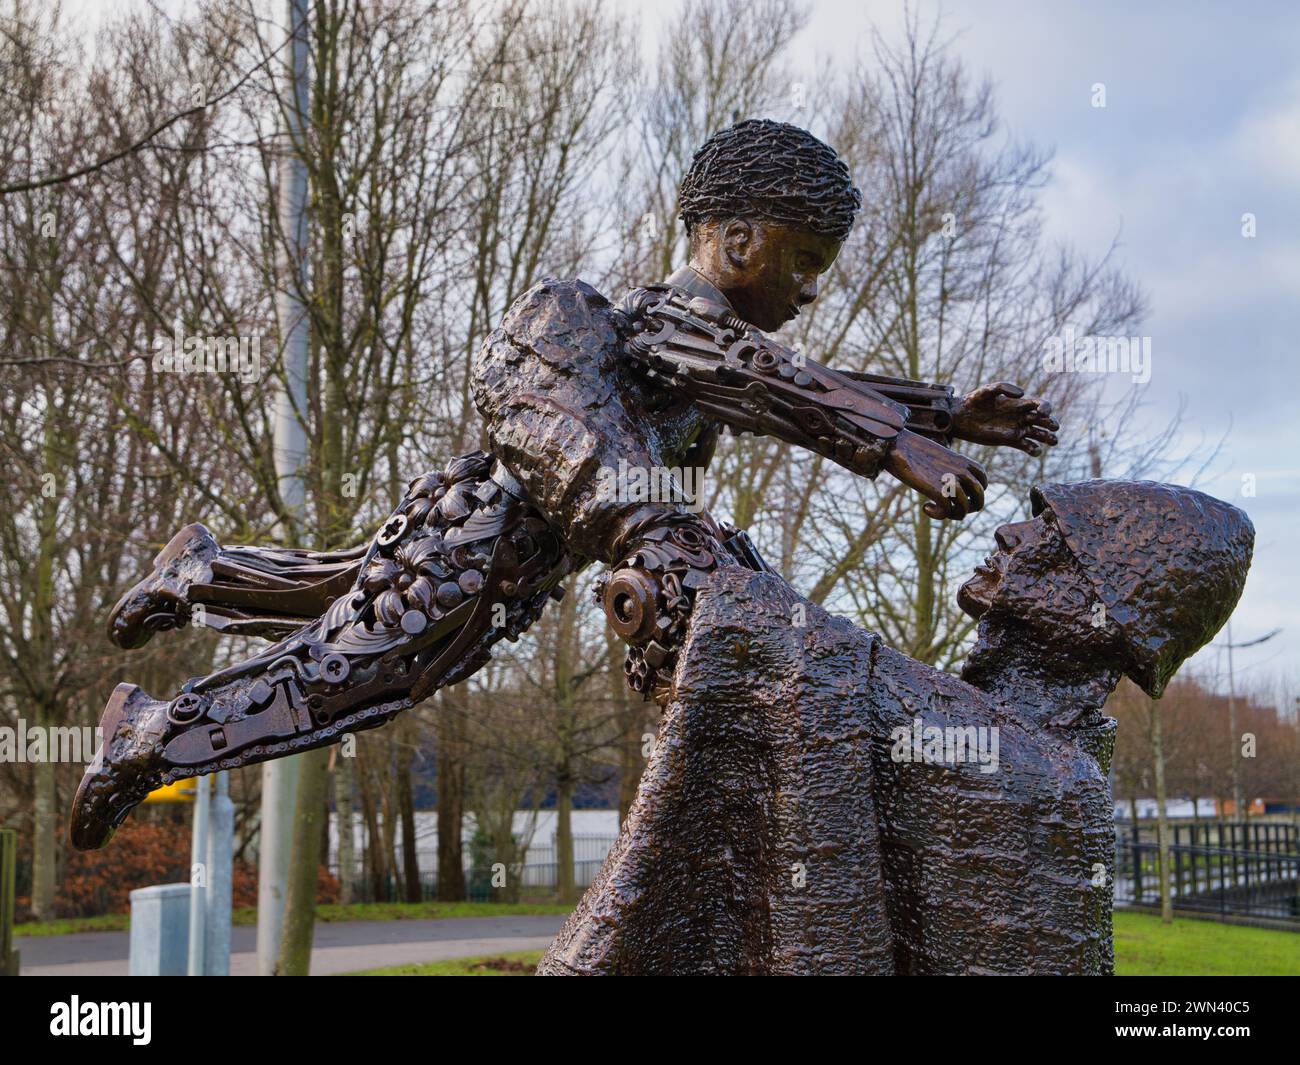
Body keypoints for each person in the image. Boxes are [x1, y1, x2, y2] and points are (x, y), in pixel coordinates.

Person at [70, 120, 1056, 850]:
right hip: (487, 536)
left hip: (495, 534)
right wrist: (897, 443)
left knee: (353, 597)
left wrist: (940, 414)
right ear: (742, 243)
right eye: (805, 263)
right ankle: (148, 735)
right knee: (346, 674)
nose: (809, 292)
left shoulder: (697, 343)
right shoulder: (678, 324)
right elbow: (759, 379)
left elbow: (783, 383)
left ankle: (202, 570)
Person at [536, 480, 1253, 975]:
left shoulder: (1043, 778)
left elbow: (815, 657)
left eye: (1051, 530)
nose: (1011, 529)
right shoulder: (996, 739)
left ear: (1098, 603)